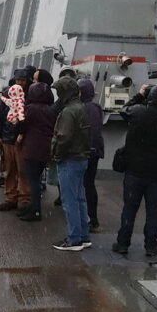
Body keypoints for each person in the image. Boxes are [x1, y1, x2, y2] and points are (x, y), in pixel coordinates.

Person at [113, 84, 157, 257]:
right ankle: (151, 246)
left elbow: (123, 109)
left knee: (130, 208)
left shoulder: (137, 113)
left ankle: (123, 243)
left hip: (135, 170)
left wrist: (140, 95)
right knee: (153, 209)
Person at [50, 76, 91, 252]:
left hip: (69, 159)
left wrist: (55, 154)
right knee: (80, 198)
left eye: (59, 91)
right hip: (81, 157)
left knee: (69, 201)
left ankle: (74, 239)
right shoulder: (81, 107)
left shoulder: (68, 111)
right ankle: (83, 236)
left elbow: (63, 137)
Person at [18, 81, 56, 221]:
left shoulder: (31, 108)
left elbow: (21, 124)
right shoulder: (51, 109)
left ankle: (35, 210)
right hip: (45, 148)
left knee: (32, 180)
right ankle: (34, 207)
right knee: (37, 179)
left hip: (32, 148)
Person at [0, 71, 31, 212]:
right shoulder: (8, 95)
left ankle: (23, 199)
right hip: (8, 138)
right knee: (11, 170)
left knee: (22, 171)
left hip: (21, 139)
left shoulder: (28, 96)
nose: (20, 83)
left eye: (23, 80)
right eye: (19, 80)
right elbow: (1, 117)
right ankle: (11, 197)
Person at [79, 78, 105, 231]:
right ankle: (90, 218)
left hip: (88, 152)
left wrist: (88, 149)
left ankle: (91, 219)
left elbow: (92, 131)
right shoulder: (94, 107)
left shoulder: (87, 108)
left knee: (87, 185)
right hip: (92, 151)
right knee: (87, 184)